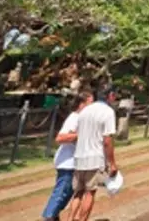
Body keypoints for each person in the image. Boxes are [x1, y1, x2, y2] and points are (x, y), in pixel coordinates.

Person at [68, 86, 120, 221]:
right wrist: (112, 163)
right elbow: (107, 140)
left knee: (78, 192)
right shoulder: (107, 112)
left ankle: (70, 219)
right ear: (110, 96)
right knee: (90, 192)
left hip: (79, 157)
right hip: (95, 158)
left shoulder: (84, 111)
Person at [42, 91, 93, 221]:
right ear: (82, 105)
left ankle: (53, 215)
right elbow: (60, 138)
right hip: (67, 163)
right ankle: (49, 216)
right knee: (62, 193)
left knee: (67, 194)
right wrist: (78, 135)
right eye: (90, 104)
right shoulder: (74, 118)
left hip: (75, 162)